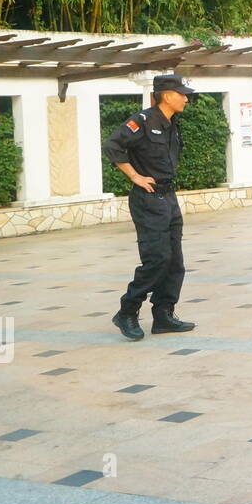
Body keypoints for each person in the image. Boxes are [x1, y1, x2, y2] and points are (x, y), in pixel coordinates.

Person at [103, 74, 198, 341]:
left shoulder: (172, 123)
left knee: (175, 261)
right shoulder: (142, 121)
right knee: (157, 259)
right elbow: (112, 146)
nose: (186, 98)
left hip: (168, 197)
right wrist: (134, 176)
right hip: (148, 199)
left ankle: (164, 315)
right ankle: (127, 311)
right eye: (182, 93)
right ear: (167, 95)